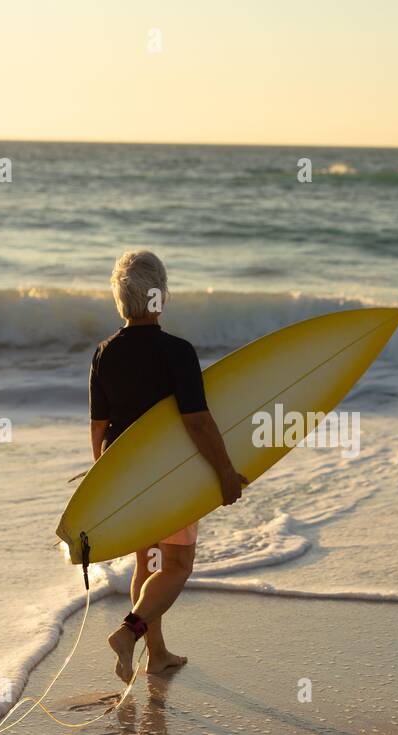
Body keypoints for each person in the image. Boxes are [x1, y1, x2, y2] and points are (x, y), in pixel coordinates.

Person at [90, 250, 247, 680]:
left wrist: (104, 483)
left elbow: (99, 426)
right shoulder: (177, 351)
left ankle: (156, 656)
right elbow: (196, 420)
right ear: (160, 295)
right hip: (171, 476)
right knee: (176, 567)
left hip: (127, 475)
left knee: (149, 566)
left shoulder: (104, 352)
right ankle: (129, 634)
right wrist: (225, 473)